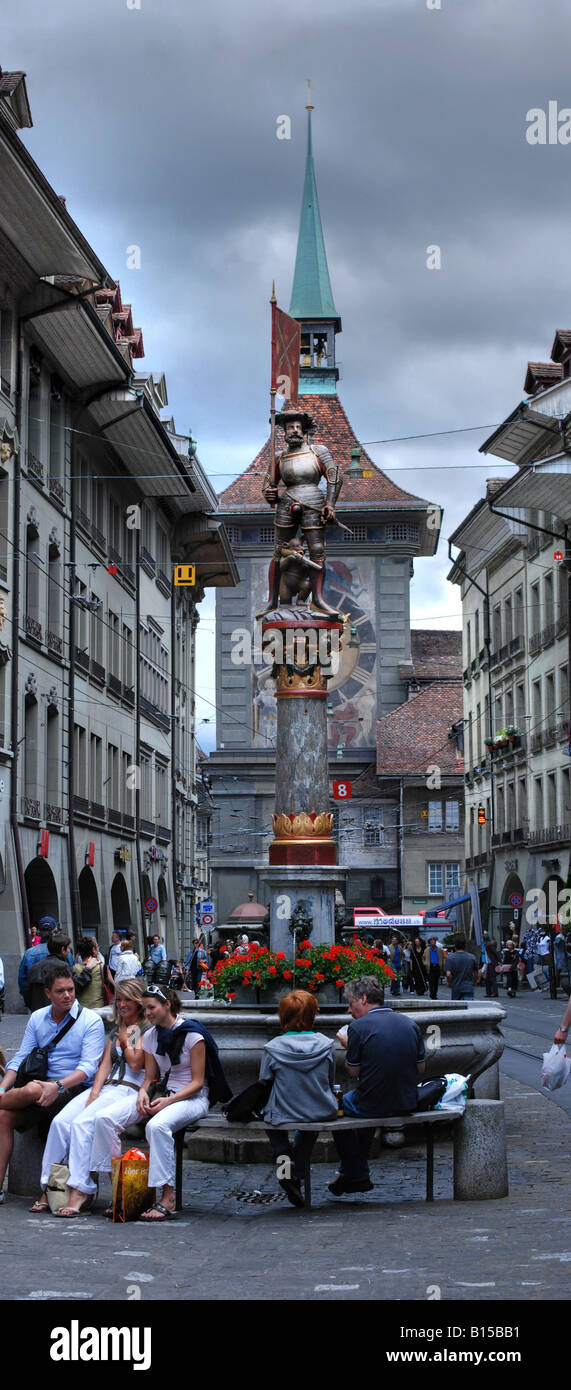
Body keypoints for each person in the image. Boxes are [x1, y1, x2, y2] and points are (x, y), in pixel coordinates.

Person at [35, 979, 149, 1216]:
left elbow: (137, 1064)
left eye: (128, 999)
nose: (122, 1003)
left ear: (139, 1001)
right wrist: (94, 1092)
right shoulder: (116, 1030)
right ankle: (50, 1186)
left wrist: (126, 1037)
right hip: (108, 1087)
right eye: (119, 999)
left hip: (128, 1089)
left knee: (82, 1124)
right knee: (61, 1122)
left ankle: (80, 1189)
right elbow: (104, 1066)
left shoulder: (141, 1029)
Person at [0, 961, 104, 1200]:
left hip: (74, 1088)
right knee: (4, 1115)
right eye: (60, 991)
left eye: (70, 989)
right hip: (39, 1087)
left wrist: (56, 1085)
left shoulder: (90, 1021)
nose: (67, 995)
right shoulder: (38, 1018)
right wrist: (2, 1086)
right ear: (48, 993)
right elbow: (19, 1059)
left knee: (33, 1089)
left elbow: (88, 1068)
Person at [136, 985, 230, 1220]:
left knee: (156, 1126)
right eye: (144, 1008)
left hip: (194, 1098)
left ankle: (167, 1196)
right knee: (139, 1122)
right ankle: (136, 1192)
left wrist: (169, 1100)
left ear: (167, 1004)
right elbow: (150, 1077)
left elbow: (198, 1082)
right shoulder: (149, 1036)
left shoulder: (193, 1034)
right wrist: (142, 1093)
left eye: (151, 1007)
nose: (147, 1013)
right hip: (168, 1096)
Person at [329, 975, 425, 1196]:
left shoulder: (358, 1027)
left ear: (363, 999)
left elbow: (353, 1072)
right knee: (367, 1102)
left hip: (373, 1103)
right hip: (407, 1101)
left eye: (351, 1004)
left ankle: (355, 1172)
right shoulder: (410, 1023)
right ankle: (355, 1174)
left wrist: (347, 1044)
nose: (348, 1011)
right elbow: (420, 1069)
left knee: (333, 1108)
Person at [260, 989, 337, 1207]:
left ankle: (284, 1158)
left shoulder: (273, 1048)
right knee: (308, 1125)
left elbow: (264, 1082)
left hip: (284, 1111)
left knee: (269, 1116)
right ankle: (299, 1173)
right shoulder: (326, 1045)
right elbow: (330, 1081)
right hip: (320, 1109)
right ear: (313, 1016)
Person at [24, 932, 73, 1012]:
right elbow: (73, 988)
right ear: (62, 950)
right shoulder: (64, 967)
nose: (68, 951)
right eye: (67, 948)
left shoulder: (35, 967)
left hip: (38, 1010)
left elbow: (27, 990)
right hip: (57, 1012)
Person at [72, 937, 105, 1009]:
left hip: (81, 1008)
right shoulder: (101, 966)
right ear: (93, 949)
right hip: (99, 1006)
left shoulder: (75, 968)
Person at [482, 933, 500, 998]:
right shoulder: (487, 944)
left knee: (492, 979)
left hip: (491, 964)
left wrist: (499, 961)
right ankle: (489, 993)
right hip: (489, 964)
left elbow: (495, 952)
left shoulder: (488, 945)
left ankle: (494, 993)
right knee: (488, 979)